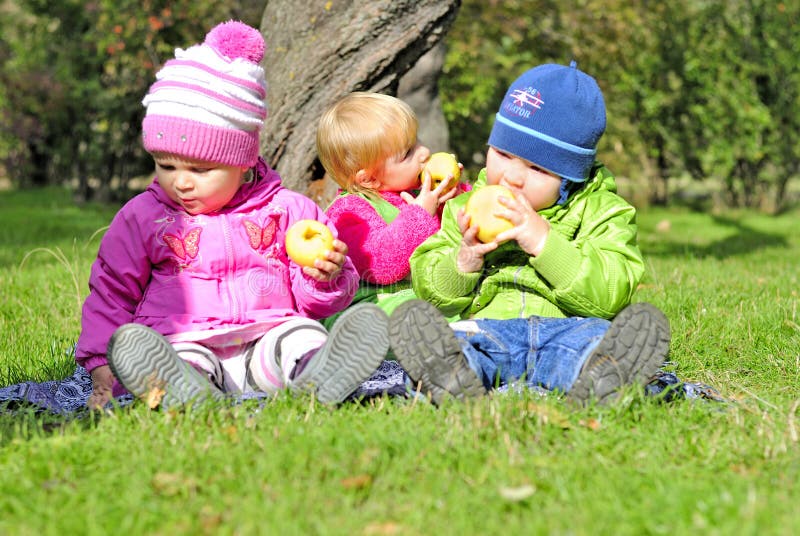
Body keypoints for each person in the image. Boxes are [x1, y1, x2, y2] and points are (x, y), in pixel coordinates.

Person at [75, 21, 389, 410]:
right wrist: (100, 362)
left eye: (201, 170)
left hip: (269, 332)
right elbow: (111, 293)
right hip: (185, 339)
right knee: (175, 357)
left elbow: (316, 305)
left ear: (243, 162)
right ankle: (186, 393)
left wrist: (323, 276)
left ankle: (317, 376)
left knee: (302, 336)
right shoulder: (143, 218)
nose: (181, 183)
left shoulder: (290, 211)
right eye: (166, 166)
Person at [388, 61, 671, 405]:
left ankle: (606, 377)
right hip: (489, 329)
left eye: (538, 168)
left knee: (596, 342)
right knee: (459, 342)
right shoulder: (465, 207)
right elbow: (433, 290)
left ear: (570, 179)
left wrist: (544, 242)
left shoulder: (602, 211)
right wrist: (466, 258)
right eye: (503, 154)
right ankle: (450, 375)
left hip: (569, 331)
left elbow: (610, 290)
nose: (512, 177)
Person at [316, 92, 466, 324]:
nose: (424, 152)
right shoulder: (349, 212)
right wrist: (420, 214)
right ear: (369, 180)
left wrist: (452, 197)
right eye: (408, 153)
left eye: (417, 140)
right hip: (372, 307)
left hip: (418, 296)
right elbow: (384, 266)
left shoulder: (417, 194)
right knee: (424, 313)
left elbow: (448, 235)